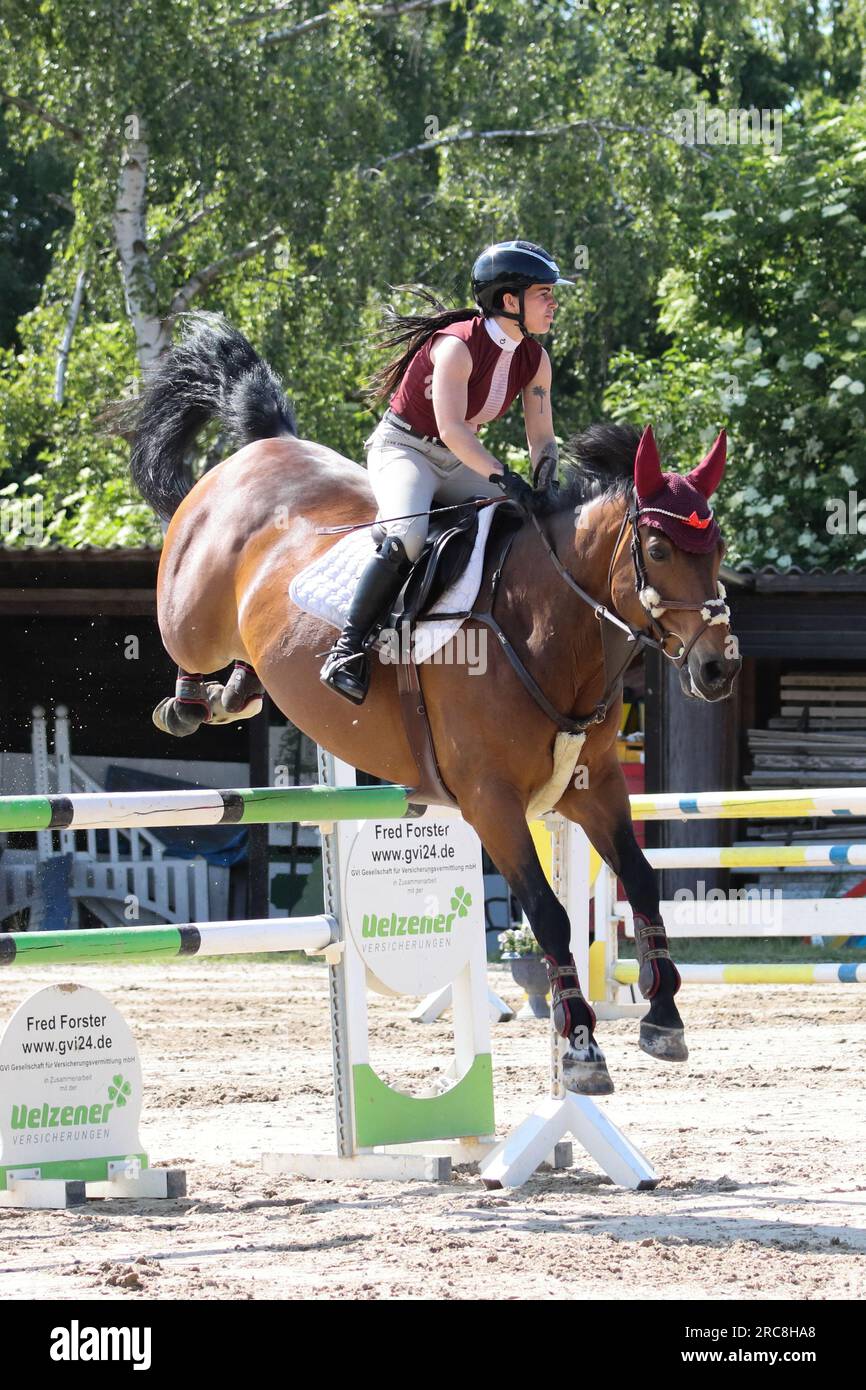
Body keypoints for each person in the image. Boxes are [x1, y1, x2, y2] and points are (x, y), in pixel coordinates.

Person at [320, 239, 573, 704]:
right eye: (544, 293)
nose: (553, 303)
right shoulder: (457, 346)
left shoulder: (535, 360)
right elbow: (453, 429)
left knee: (521, 525)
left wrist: (545, 482)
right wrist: (505, 478)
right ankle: (347, 649)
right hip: (406, 449)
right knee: (409, 537)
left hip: (460, 458)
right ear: (509, 300)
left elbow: (541, 436)